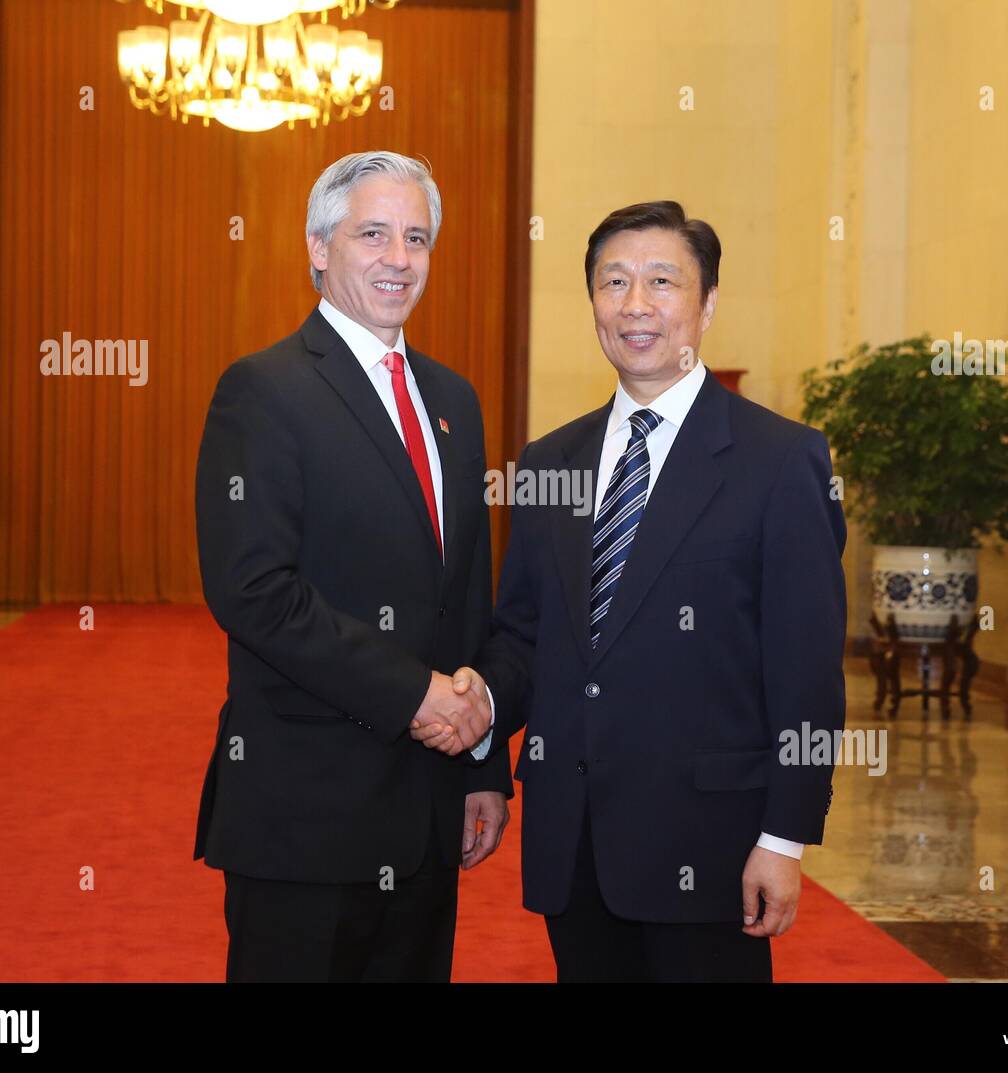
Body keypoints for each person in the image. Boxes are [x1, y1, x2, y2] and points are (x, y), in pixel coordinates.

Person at [418, 200, 847, 982]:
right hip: (572, 840)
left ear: (707, 304)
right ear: (593, 305)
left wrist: (784, 840)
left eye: (662, 281)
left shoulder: (780, 461)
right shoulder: (552, 459)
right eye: (614, 282)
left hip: (709, 844)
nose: (636, 305)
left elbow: (807, 669)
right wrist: (479, 722)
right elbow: (519, 634)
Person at [194, 150, 510, 982]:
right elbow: (253, 592)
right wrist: (415, 695)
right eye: (373, 233)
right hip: (305, 812)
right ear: (317, 246)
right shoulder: (262, 390)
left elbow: (466, 594)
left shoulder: (455, 401)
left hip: (429, 809)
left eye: (416, 237)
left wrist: (484, 767)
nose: (398, 259)